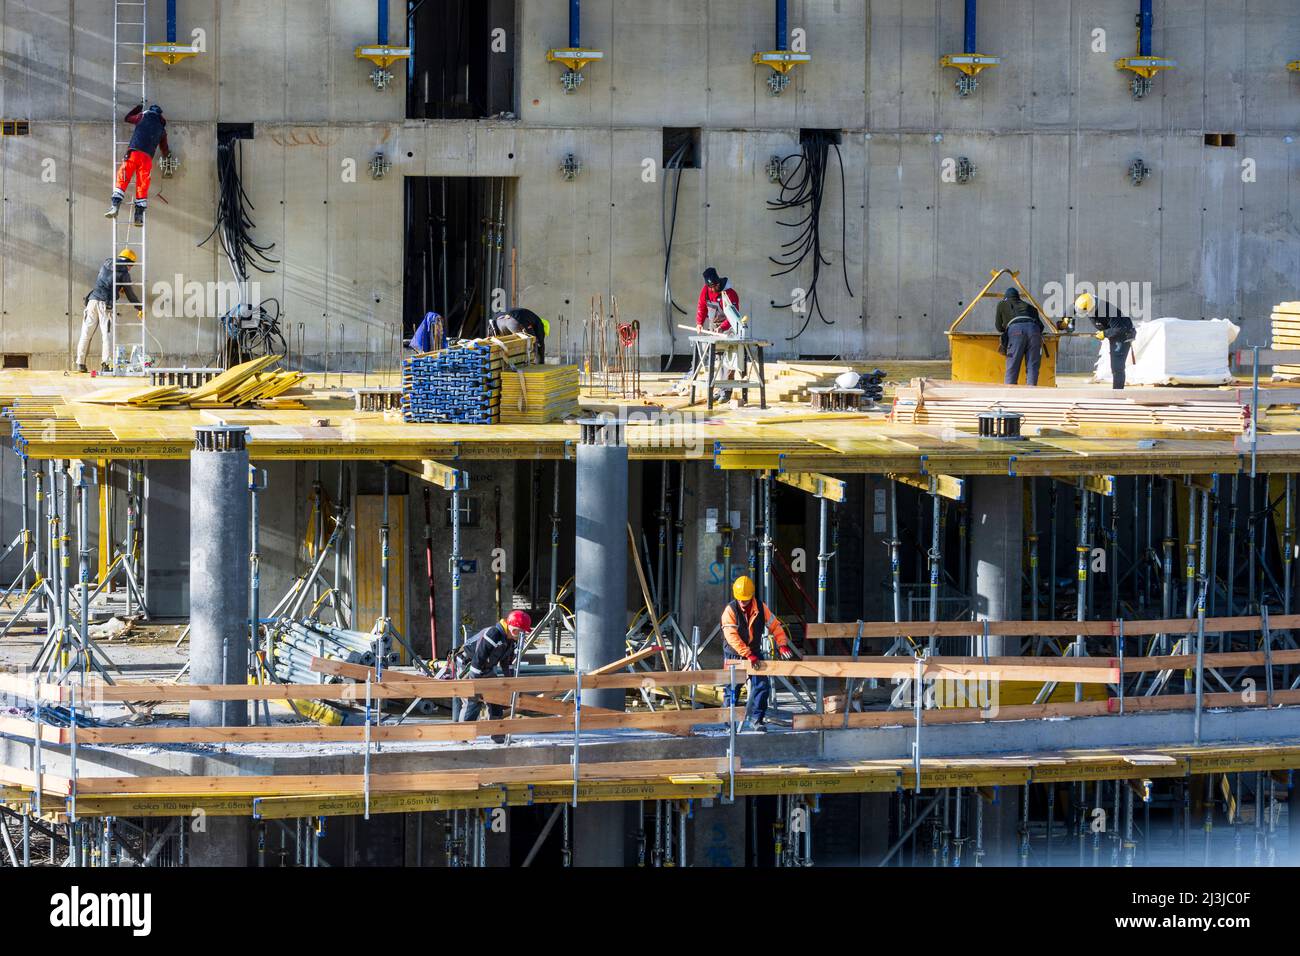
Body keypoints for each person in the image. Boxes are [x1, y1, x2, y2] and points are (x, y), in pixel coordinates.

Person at [720, 575, 794, 732]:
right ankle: (729, 724)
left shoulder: (761, 607)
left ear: (751, 596)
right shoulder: (730, 610)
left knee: (762, 686)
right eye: (739, 599)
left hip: (754, 652)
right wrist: (747, 653)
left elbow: (774, 625)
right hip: (734, 654)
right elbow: (731, 637)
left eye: (745, 600)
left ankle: (756, 720)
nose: (742, 602)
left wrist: (782, 644)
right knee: (732, 689)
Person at [456, 610, 531, 742]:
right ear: (512, 628)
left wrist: (510, 683)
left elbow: (505, 662)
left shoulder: (509, 640)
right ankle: (462, 737)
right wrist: (476, 686)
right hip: (469, 667)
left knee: (497, 699)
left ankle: (498, 734)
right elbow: (478, 659)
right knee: (473, 701)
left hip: (486, 668)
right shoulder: (494, 634)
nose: (521, 635)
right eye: (519, 631)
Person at [76, 248, 141, 373]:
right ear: (129, 263)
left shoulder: (107, 263)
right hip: (105, 305)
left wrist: (116, 287)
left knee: (86, 334)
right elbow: (130, 294)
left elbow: (106, 281)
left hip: (92, 301)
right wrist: (139, 307)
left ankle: (80, 363)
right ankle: (106, 364)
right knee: (107, 335)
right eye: (131, 266)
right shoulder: (124, 274)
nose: (131, 268)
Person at [106, 104, 171, 226]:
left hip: (134, 153)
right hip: (146, 158)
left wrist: (138, 107)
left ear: (149, 111)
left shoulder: (142, 117)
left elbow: (128, 118)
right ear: (160, 116)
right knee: (142, 185)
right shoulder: (162, 130)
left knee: (123, 178)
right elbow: (164, 148)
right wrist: (168, 156)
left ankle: (115, 206)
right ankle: (139, 216)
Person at [1074, 292, 1136, 389]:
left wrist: (1105, 333)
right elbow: (1074, 308)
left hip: (1123, 334)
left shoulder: (1108, 310)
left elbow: (1120, 328)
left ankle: (1118, 393)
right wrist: (1066, 318)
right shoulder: (1087, 302)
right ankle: (1117, 391)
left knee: (1117, 367)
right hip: (1113, 333)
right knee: (1115, 365)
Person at [995, 287, 1044, 386]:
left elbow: (999, 327)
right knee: (1032, 366)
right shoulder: (1031, 307)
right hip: (1034, 331)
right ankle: (1031, 394)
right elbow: (1041, 327)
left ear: (1006, 298)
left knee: (1012, 366)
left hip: (1016, 332)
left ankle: (1009, 395)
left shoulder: (1002, 304)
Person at [696, 267, 740, 333]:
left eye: (715, 286)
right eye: (710, 287)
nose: (713, 289)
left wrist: (722, 327)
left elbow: (733, 316)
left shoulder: (730, 294)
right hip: (713, 327)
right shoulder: (706, 290)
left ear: (718, 282)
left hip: (728, 329)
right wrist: (699, 323)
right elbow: (702, 307)